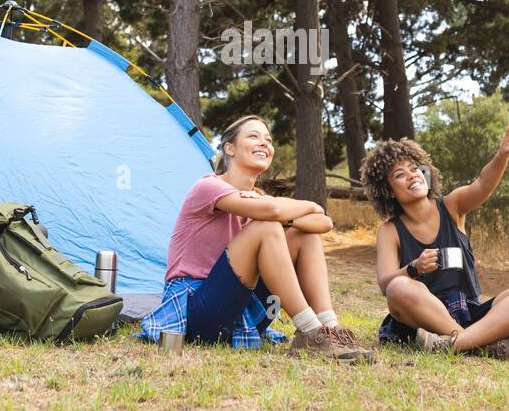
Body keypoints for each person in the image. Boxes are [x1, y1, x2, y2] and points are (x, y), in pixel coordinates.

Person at [141, 115, 374, 362]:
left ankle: (329, 328)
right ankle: (309, 331)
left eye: (268, 140)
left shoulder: (259, 198)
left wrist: (285, 215)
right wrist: (307, 205)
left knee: (304, 236)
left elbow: (324, 223)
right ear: (229, 148)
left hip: (241, 308)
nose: (264, 143)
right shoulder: (208, 187)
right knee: (268, 226)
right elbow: (274, 213)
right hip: (197, 310)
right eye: (253, 136)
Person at [361, 124, 509, 358]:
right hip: (422, 317)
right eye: (399, 174)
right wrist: (413, 268)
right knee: (398, 287)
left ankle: (454, 344)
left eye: (414, 168)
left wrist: (501, 156)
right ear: (388, 191)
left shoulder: (453, 206)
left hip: (468, 311)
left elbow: (482, 183)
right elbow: (385, 284)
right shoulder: (390, 231)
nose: (412, 175)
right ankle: (479, 343)